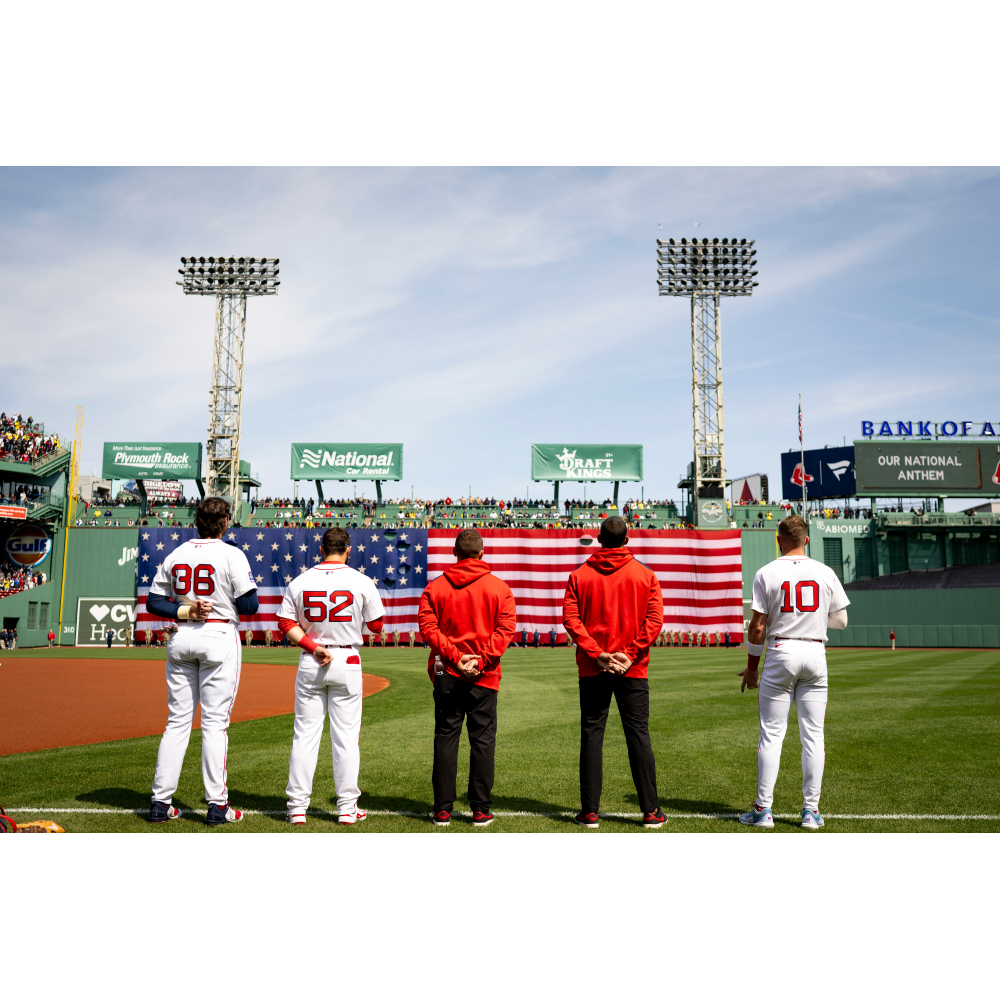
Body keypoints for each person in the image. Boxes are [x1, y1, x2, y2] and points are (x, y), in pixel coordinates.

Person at [145, 497, 259, 826]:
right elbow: (249, 606)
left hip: (182, 636)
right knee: (214, 725)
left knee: (177, 723)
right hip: (218, 636)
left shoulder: (177, 553)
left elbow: (153, 601)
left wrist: (185, 610)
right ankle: (217, 805)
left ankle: (160, 802)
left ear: (197, 521)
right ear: (224, 522)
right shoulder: (231, 553)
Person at [737, 515, 849, 831]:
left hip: (781, 651)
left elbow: (758, 627)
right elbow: (840, 620)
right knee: (813, 736)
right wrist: (809, 620)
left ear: (779, 540)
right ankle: (810, 812)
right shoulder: (826, 572)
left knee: (772, 734)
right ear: (807, 540)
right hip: (814, 651)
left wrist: (751, 668)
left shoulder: (767, 572)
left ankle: (763, 811)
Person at [563, 515, 666, 829]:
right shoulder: (646, 576)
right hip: (632, 668)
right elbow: (655, 620)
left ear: (598, 538)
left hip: (594, 668)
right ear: (627, 539)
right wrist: (630, 654)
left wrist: (597, 654)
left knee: (592, 736)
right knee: (638, 736)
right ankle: (650, 812)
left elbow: (571, 619)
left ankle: (590, 812)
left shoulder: (579, 575)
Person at [277, 526, 385, 826]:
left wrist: (314, 645)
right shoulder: (361, 580)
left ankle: (297, 808)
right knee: (346, 739)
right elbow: (376, 626)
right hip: (347, 657)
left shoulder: (300, 581)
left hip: (313, 658)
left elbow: (285, 622)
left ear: (321, 549)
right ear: (348, 550)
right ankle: (347, 809)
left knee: (305, 737)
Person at [418, 528, 516, 828]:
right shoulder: (500, 588)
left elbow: (427, 627)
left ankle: (443, 809)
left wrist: (455, 657)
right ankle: (481, 809)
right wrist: (480, 660)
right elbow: (505, 632)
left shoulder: (435, 588)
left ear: (454, 553)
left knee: (446, 739)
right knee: (482, 742)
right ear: (482, 553)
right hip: (484, 676)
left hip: (447, 672)